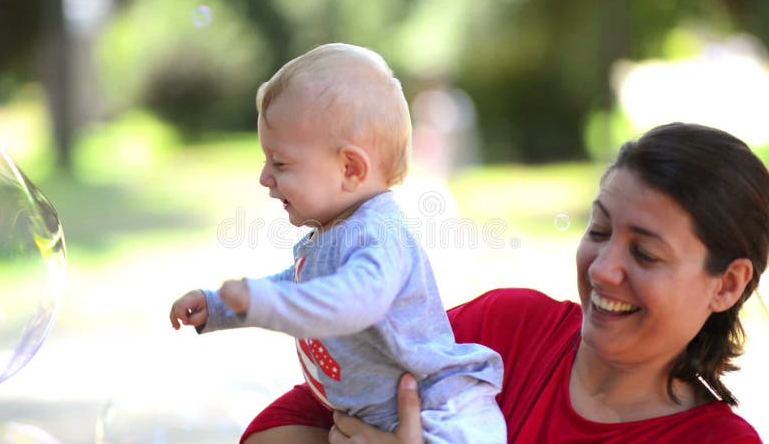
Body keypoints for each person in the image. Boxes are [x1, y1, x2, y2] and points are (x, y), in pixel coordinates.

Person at [248, 122, 768, 444]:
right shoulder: (503, 330)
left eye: (647, 253)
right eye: (600, 230)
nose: (603, 268)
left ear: (727, 285)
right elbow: (278, 424)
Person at [168, 43, 507, 444]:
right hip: (378, 417)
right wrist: (220, 307)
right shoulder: (335, 231)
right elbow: (300, 284)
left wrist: (261, 302)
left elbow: (351, 302)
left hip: (441, 412)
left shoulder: (379, 234)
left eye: (280, 163)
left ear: (350, 168)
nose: (264, 177)